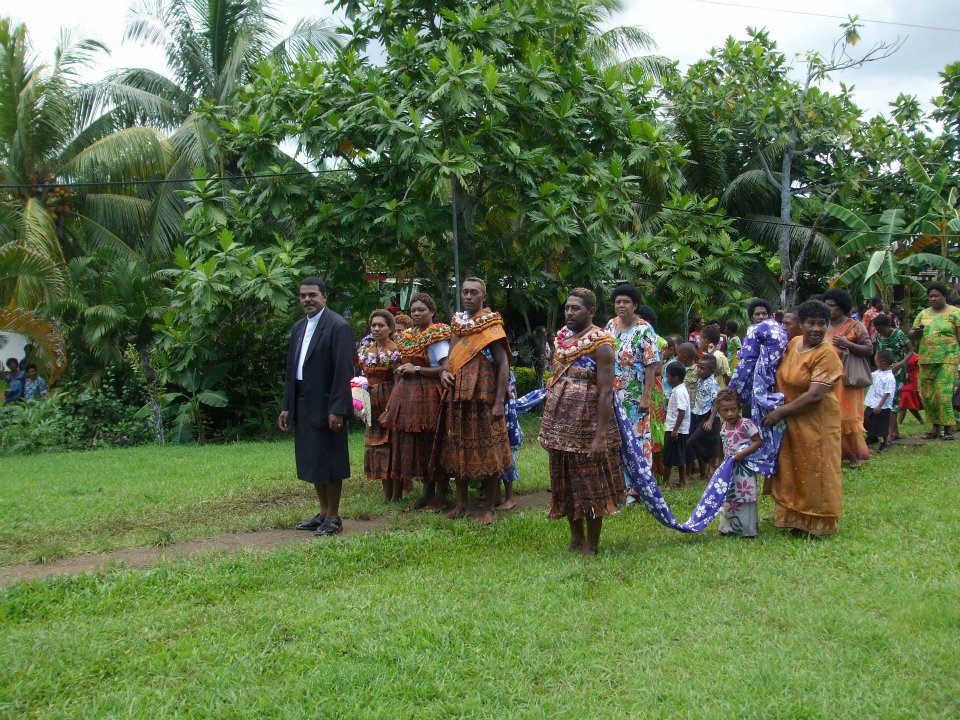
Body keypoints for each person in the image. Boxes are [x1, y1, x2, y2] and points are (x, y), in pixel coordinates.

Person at [540, 288, 624, 555]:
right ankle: (575, 538)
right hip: (561, 422)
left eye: (575, 308)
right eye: (567, 307)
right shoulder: (563, 339)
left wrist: (600, 436)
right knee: (564, 479)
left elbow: (606, 391)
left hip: (588, 425)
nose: (569, 312)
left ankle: (592, 543)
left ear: (590, 312)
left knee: (589, 482)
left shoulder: (602, 344)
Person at [279, 277, 355, 537]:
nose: (307, 300)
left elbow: (343, 369)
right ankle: (322, 512)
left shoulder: (338, 326)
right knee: (313, 460)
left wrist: (338, 409)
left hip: (327, 405)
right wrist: (287, 406)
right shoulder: (299, 327)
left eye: (312, 294)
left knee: (331, 460)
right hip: (303, 403)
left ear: (325, 296)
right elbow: (292, 370)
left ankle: (333, 517)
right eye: (302, 296)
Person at [763, 300, 843, 537]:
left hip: (816, 420)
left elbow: (815, 395)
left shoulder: (827, 354)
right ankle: (796, 518)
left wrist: (779, 412)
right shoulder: (795, 343)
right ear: (801, 324)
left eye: (822, 324)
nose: (816, 328)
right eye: (811, 323)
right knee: (793, 468)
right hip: (792, 421)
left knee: (816, 468)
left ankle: (818, 523)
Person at [437, 277, 513, 524]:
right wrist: (445, 372)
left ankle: (489, 507)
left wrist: (499, 401)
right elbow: (450, 358)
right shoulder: (457, 325)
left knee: (487, 449)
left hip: (485, 396)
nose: (468, 296)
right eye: (465, 292)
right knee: (458, 447)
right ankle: (461, 504)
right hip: (458, 396)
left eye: (474, 293)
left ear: (484, 296)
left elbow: (503, 365)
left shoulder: (492, 326)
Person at [381, 293, 451, 510]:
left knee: (433, 442)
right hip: (409, 395)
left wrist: (416, 369)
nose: (417, 313)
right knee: (418, 444)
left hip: (430, 394)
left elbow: (445, 368)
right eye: (414, 310)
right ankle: (426, 493)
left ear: (432, 312)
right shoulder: (408, 336)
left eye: (422, 309)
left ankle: (440, 495)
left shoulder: (437, 334)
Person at [604, 284, 659, 501]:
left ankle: (637, 490)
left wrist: (646, 396)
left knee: (636, 440)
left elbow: (651, 366)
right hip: (611, 394)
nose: (621, 305)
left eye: (626, 302)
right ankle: (618, 486)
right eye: (618, 301)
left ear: (635, 305)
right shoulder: (610, 325)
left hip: (635, 396)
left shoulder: (644, 330)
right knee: (615, 438)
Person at [823, 288, 874, 468]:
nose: (829, 309)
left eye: (833, 306)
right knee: (829, 417)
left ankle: (853, 456)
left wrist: (847, 344)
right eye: (827, 306)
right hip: (826, 380)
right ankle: (837, 454)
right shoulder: (821, 325)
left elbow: (869, 350)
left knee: (847, 417)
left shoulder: (855, 326)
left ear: (842, 307)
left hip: (847, 380)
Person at [359, 310, 401, 502]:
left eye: (381, 325)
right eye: (373, 325)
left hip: (391, 399)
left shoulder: (397, 350)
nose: (376, 328)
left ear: (390, 328)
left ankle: (397, 494)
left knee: (393, 446)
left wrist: (393, 405)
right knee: (378, 448)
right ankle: (386, 495)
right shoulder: (367, 350)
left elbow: (399, 380)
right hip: (372, 400)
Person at [909, 283, 960, 440]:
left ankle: (948, 429)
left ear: (944, 296)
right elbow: (910, 333)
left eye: (936, 295)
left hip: (948, 358)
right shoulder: (923, 314)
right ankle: (934, 428)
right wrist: (916, 332)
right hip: (926, 360)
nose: (933, 298)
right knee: (928, 395)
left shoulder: (955, 313)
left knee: (943, 393)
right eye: (930, 296)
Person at [714, 389, 762, 538]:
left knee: (745, 498)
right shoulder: (723, 427)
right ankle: (727, 529)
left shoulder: (746, 424)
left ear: (739, 407)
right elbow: (724, 446)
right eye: (725, 410)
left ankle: (748, 531)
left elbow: (758, 441)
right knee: (729, 497)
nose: (729, 414)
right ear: (719, 411)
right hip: (729, 469)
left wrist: (742, 454)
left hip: (744, 469)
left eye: (733, 409)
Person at [872, 314, 914, 442]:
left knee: (893, 401)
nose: (881, 333)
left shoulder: (899, 334)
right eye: (878, 330)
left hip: (897, 372)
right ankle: (895, 432)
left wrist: (902, 362)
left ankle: (889, 434)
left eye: (883, 330)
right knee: (884, 401)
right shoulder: (878, 335)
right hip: (883, 372)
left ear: (888, 326)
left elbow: (910, 350)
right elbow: (878, 351)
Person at [688, 353, 722, 480]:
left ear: (712, 370)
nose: (699, 370)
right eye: (699, 367)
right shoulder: (701, 380)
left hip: (708, 416)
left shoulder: (712, 383)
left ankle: (711, 467)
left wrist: (710, 420)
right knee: (696, 443)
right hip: (698, 413)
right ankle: (703, 473)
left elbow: (716, 402)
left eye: (703, 368)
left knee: (695, 441)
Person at [662, 362, 690, 488]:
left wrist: (675, 430)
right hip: (677, 428)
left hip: (675, 429)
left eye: (668, 376)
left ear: (676, 377)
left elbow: (682, 411)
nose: (667, 379)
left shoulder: (679, 392)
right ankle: (683, 481)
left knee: (668, 458)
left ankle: (666, 482)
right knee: (680, 456)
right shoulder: (678, 390)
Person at [864, 350, 896, 450]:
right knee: (868, 420)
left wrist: (879, 405)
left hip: (882, 406)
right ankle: (872, 437)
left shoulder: (890, 377)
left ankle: (885, 442)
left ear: (883, 362)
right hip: (872, 403)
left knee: (882, 426)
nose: (875, 363)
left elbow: (887, 392)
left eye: (876, 361)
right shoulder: (877, 373)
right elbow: (868, 376)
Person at [700, 324, 731, 388]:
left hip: (717, 395)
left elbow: (727, 379)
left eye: (700, 340)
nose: (699, 343)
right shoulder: (708, 355)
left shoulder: (719, 356)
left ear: (705, 341)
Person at [898, 351, 924, 426]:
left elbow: (921, 366)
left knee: (905, 399)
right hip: (902, 381)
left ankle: (899, 423)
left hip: (912, 382)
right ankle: (921, 420)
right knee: (908, 402)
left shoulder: (916, 357)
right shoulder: (899, 354)